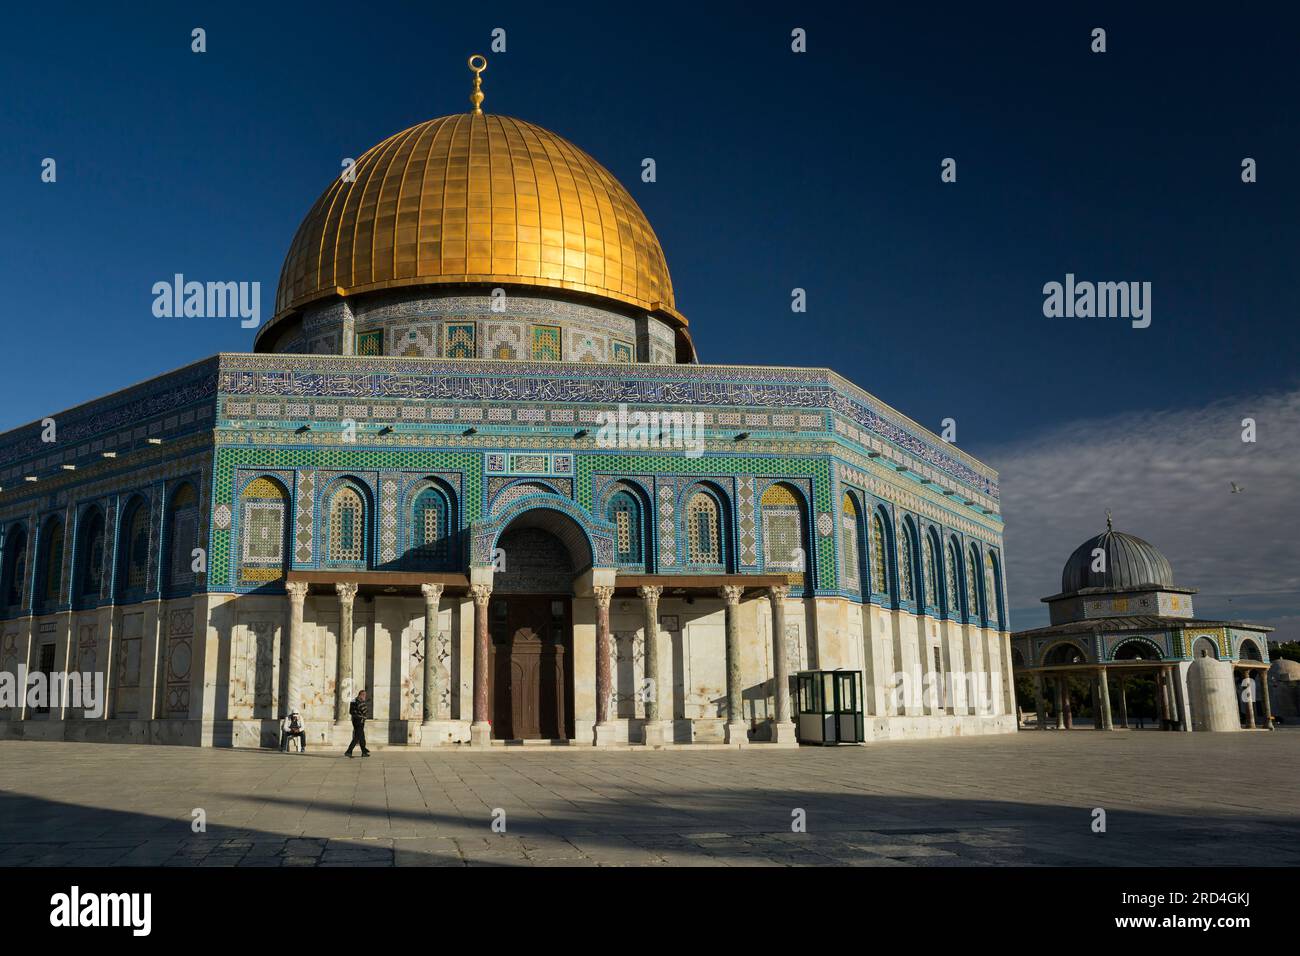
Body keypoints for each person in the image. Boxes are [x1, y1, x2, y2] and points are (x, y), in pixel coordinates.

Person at [345, 689, 370, 758]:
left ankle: (364, 752)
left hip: (355, 720)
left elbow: (350, 711)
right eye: (364, 695)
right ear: (361, 695)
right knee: (357, 737)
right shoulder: (360, 701)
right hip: (360, 720)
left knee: (362, 736)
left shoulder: (353, 700)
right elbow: (364, 710)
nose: (365, 696)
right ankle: (349, 751)